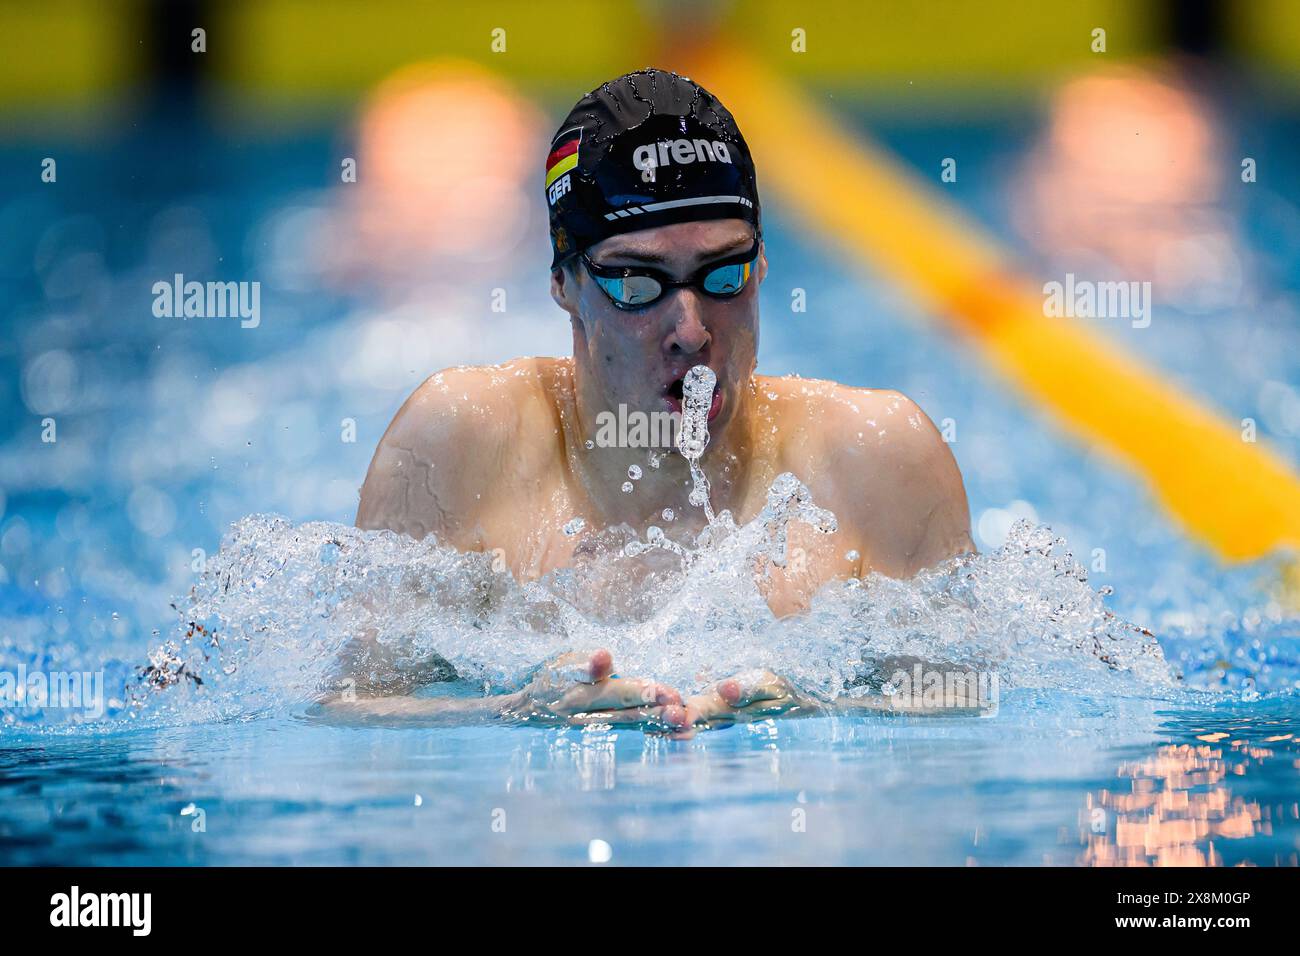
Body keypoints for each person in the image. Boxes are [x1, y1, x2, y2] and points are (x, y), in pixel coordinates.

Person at [334, 69, 975, 734]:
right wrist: (511, 711)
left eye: (725, 275)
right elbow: (354, 711)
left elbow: (972, 701)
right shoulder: (461, 443)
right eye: (639, 284)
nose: (692, 331)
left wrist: (823, 709)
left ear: (761, 265)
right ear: (563, 281)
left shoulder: (878, 458)